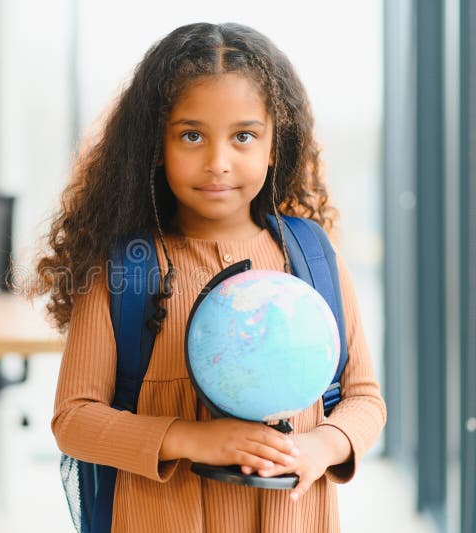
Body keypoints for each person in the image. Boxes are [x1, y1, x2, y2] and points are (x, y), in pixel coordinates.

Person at [32, 22, 387, 533]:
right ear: (157, 145)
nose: (218, 162)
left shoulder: (312, 256)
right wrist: (189, 438)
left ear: (274, 145)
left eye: (244, 136)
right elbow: (74, 419)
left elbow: (364, 398)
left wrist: (320, 447)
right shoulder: (127, 269)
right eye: (192, 135)